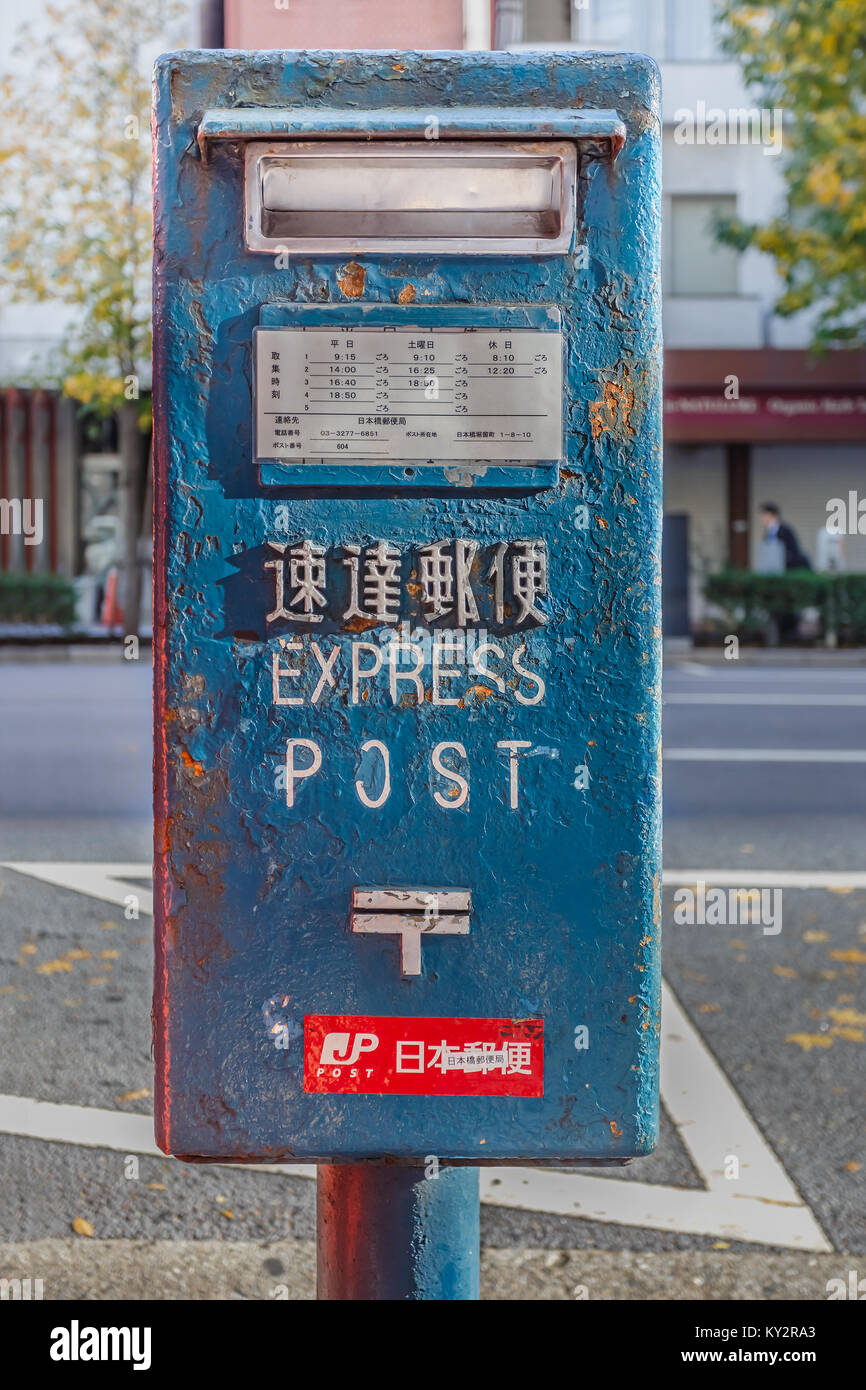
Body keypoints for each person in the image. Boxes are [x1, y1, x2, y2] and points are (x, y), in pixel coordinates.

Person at [759, 503, 811, 571]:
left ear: (772, 515)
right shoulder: (768, 532)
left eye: (764, 515)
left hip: (792, 567)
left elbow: (793, 551)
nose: (762, 518)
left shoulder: (785, 530)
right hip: (776, 568)